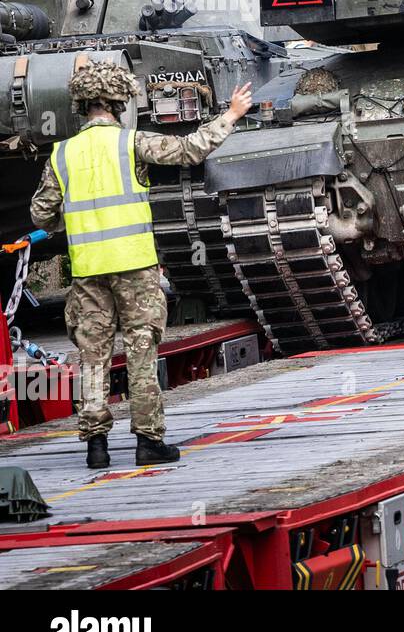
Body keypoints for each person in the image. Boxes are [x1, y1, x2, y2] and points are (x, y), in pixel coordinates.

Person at [29, 61, 253, 470]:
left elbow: (41, 215)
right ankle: (148, 441)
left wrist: (72, 220)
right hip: (135, 268)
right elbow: (190, 149)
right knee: (140, 351)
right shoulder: (132, 142)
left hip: (87, 273)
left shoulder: (62, 154)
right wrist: (232, 114)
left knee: (92, 357)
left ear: (81, 105)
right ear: (118, 103)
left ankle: (96, 445)